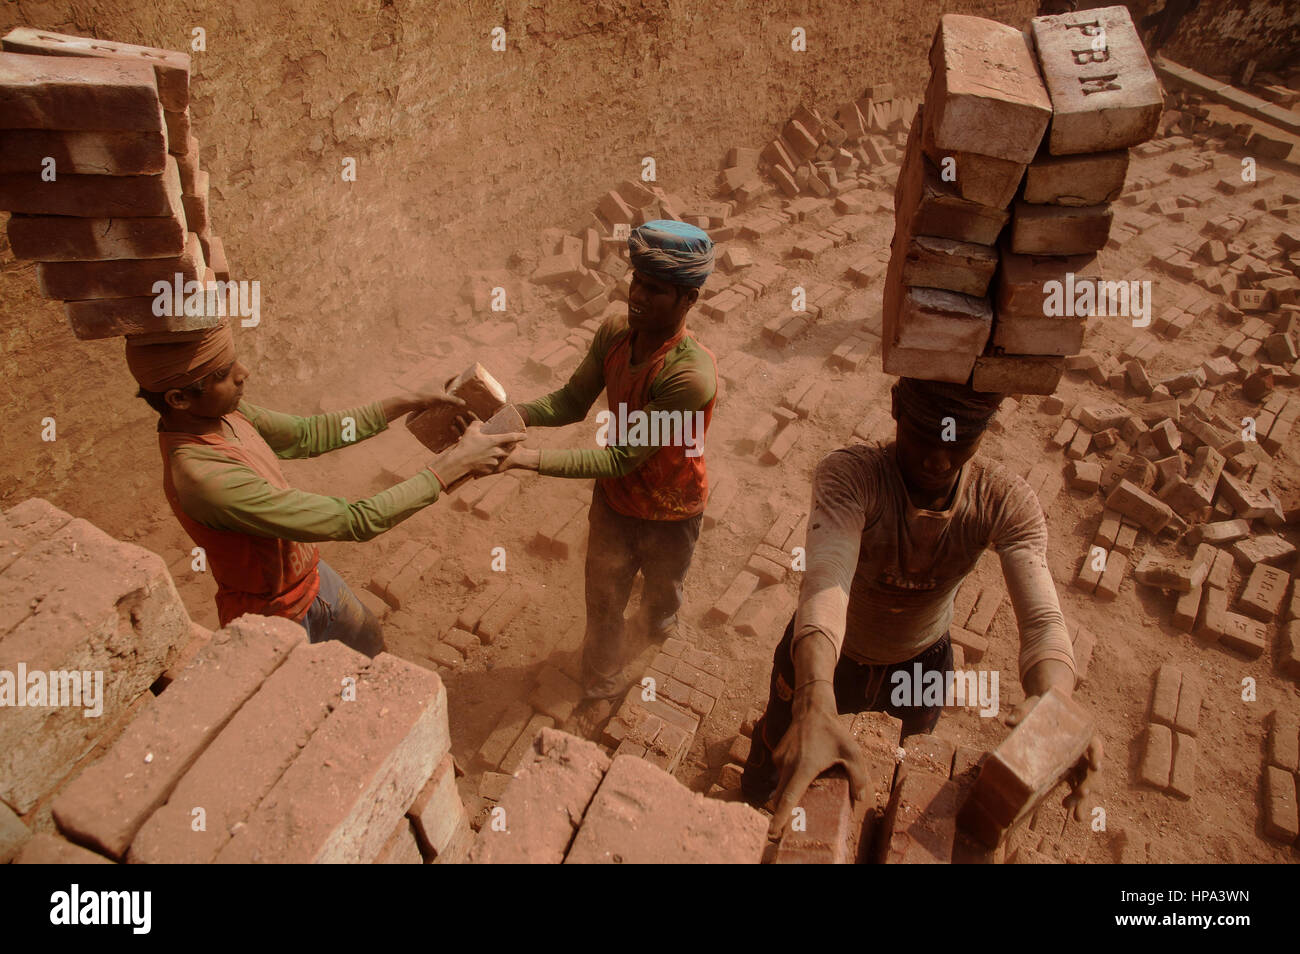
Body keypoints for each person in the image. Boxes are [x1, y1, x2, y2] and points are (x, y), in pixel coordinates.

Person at [741, 376, 1102, 834]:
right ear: (895, 406)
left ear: (987, 430)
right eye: (924, 434)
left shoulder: (1003, 500)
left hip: (922, 665)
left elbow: (1042, 620)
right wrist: (814, 696)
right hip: (828, 655)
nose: (937, 458)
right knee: (784, 740)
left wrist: (1056, 700)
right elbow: (826, 581)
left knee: (900, 763)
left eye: (959, 439)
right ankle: (755, 796)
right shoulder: (853, 476)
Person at [126, 319, 521, 657]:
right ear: (178, 398)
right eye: (223, 374)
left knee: (367, 644)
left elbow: (308, 434)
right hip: (271, 614)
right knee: (305, 702)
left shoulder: (227, 415)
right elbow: (355, 521)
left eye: (234, 362)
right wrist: (451, 466)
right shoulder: (204, 479)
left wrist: (406, 401)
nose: (243, 373)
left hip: (312, 578)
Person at [503, 220, 718, 731]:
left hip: (672, 509)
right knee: (603, 600)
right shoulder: (615, 335)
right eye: (636, 281)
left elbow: (622, 456)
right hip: (617, 505)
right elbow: (572, 401)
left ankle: (658, 629)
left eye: (656, 290)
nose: (638, 296)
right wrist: (515, 416)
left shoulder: (689, 375)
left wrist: (525, 460)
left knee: (662, 596)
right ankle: (599, 686)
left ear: (688, 299)